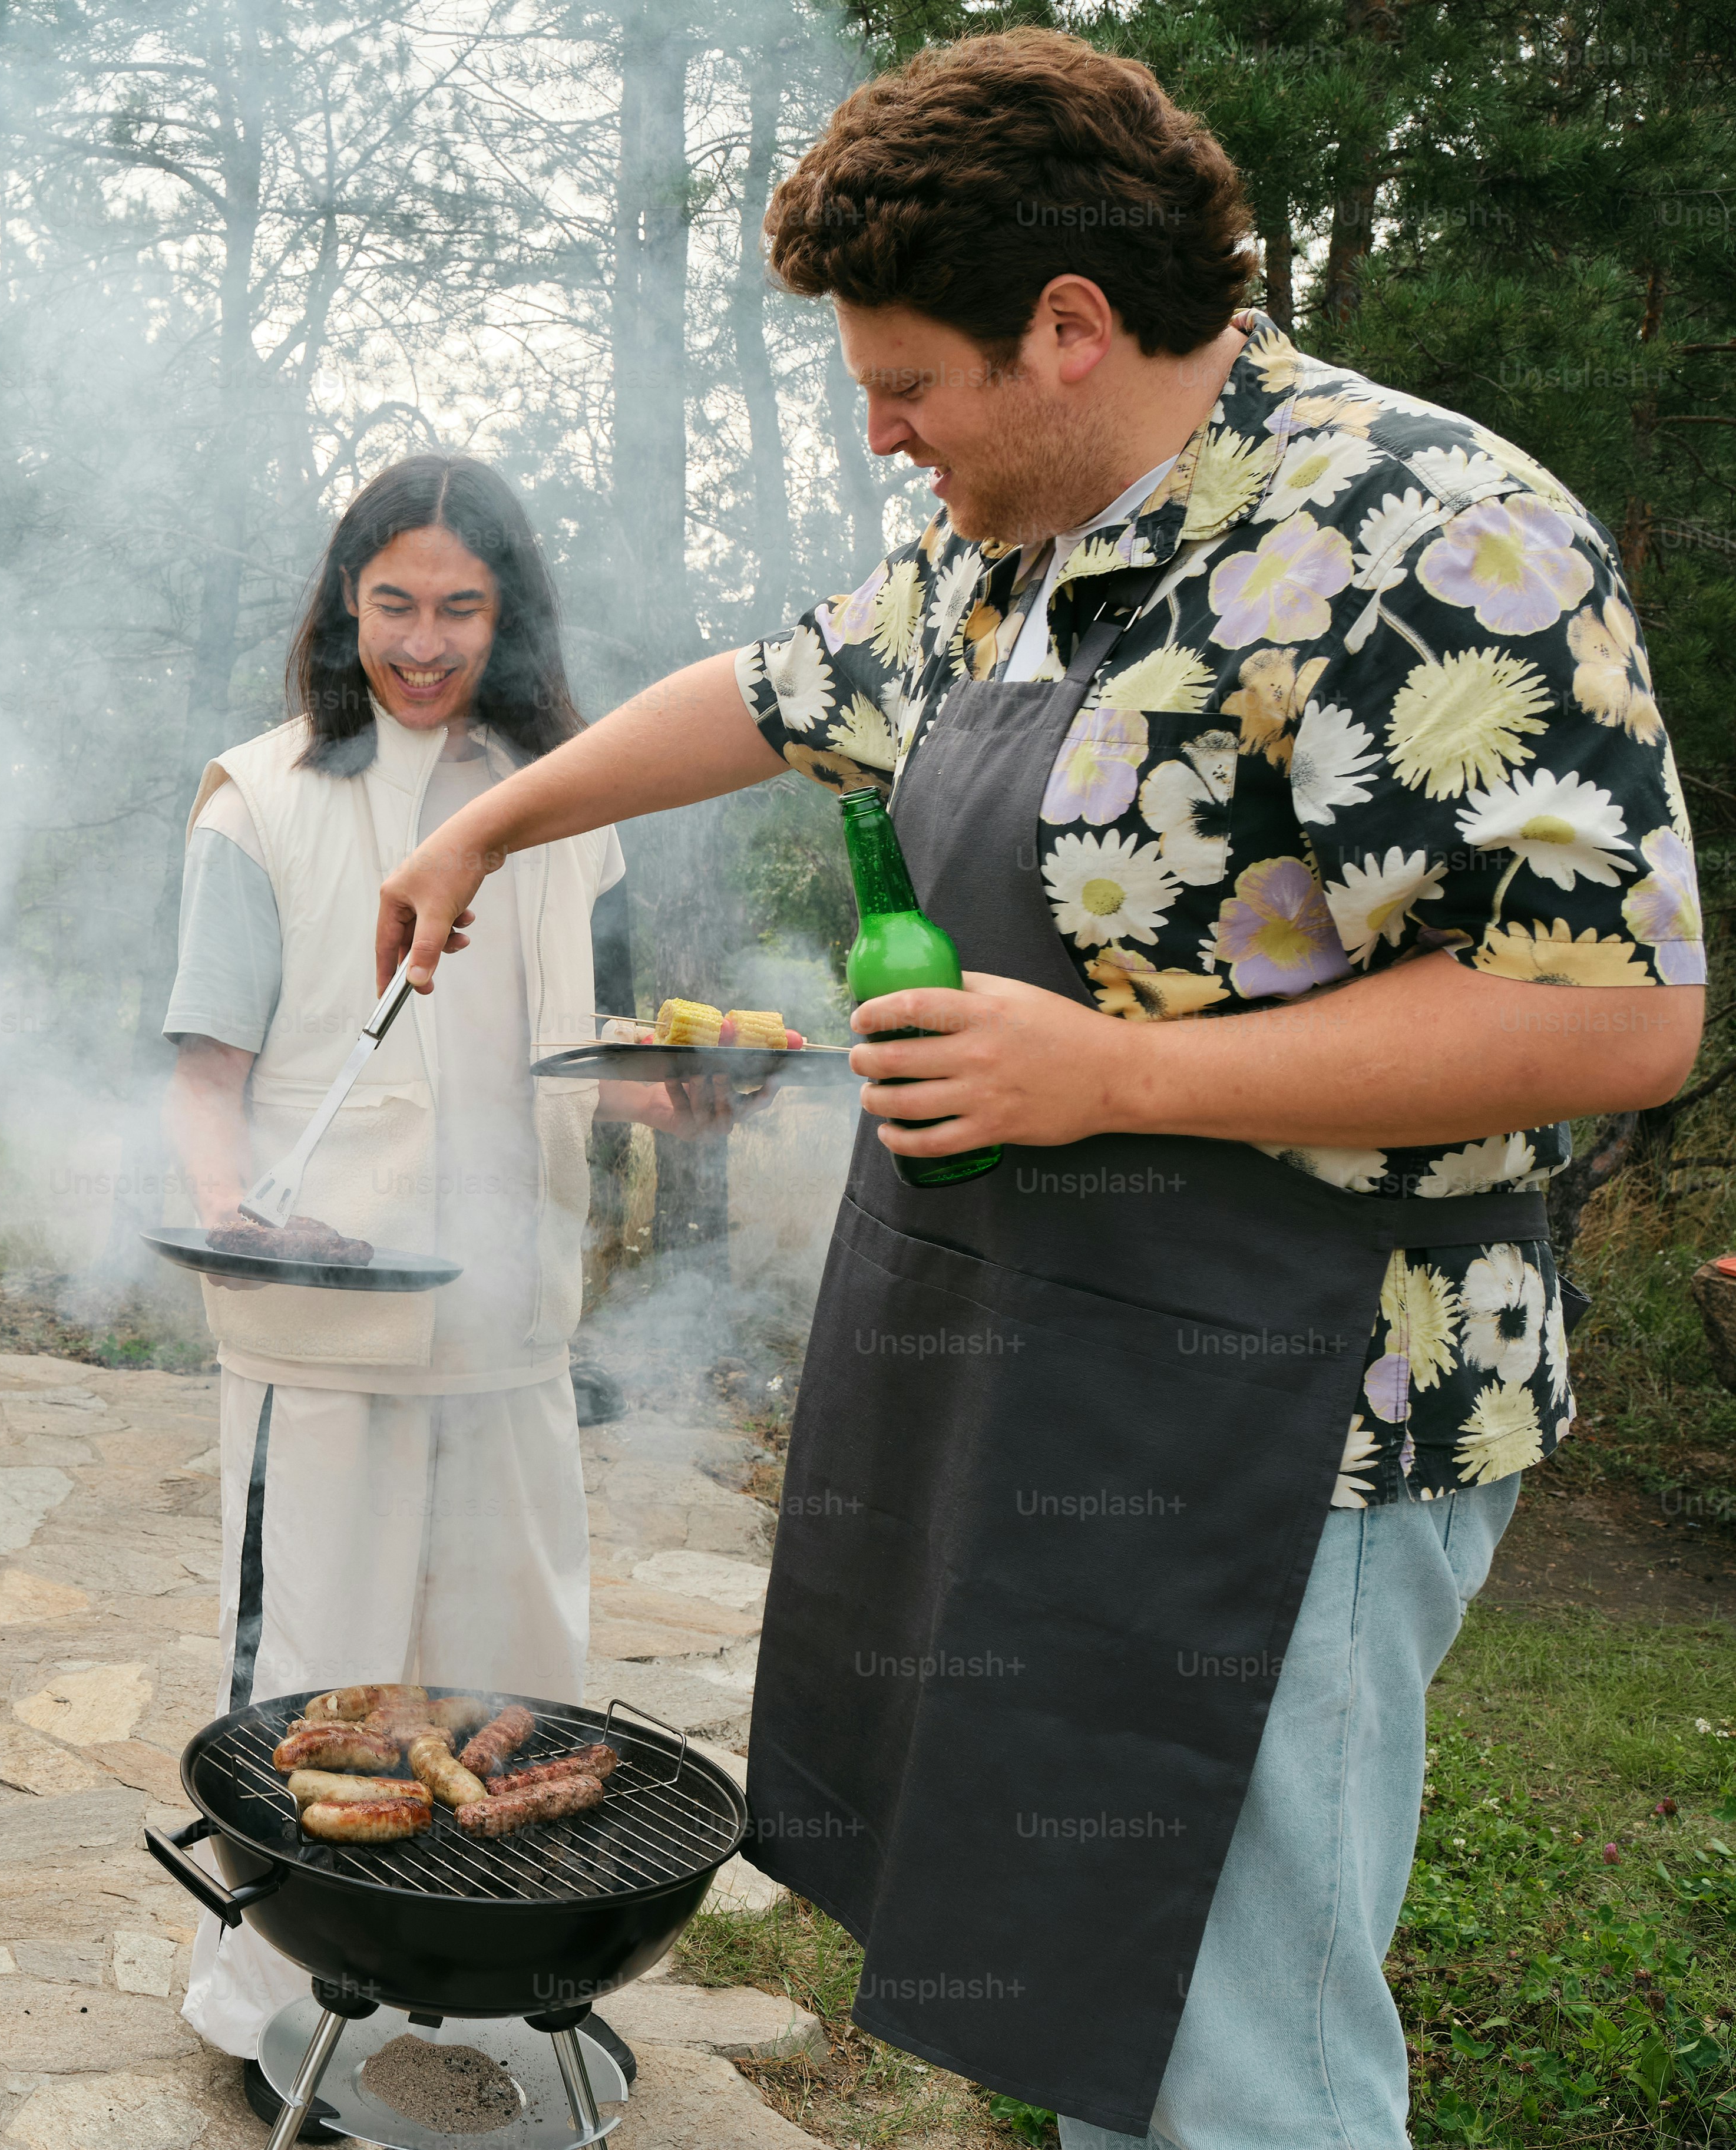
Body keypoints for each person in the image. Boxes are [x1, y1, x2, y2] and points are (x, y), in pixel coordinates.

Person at [378, 32, 1701, 2148]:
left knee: (1239, 2047)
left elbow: (1617, 1013)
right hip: (1062, 1374)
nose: (887, 434)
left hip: (1309, 1416)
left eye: (907, 384)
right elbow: (771, 689)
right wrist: (490, 828)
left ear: (1069, 329)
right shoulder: (1016, 548)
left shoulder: (1430, 534)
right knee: (1107, 2008)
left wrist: (1106, 1069)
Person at [163, 454, 755, 2129]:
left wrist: (688, 1089)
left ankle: (500, 1981)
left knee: (513, 1672)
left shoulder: (571, 802)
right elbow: (205, 1070)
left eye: (460, 606)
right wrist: (235, 1209)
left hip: (510, 1317)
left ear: (511, 617)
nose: (424, 642)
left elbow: (599, 1056)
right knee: (318, 1679)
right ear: (346, 610)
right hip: (321, 1328)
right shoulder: (259, 797)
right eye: (394, 602)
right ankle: (272, 1992)